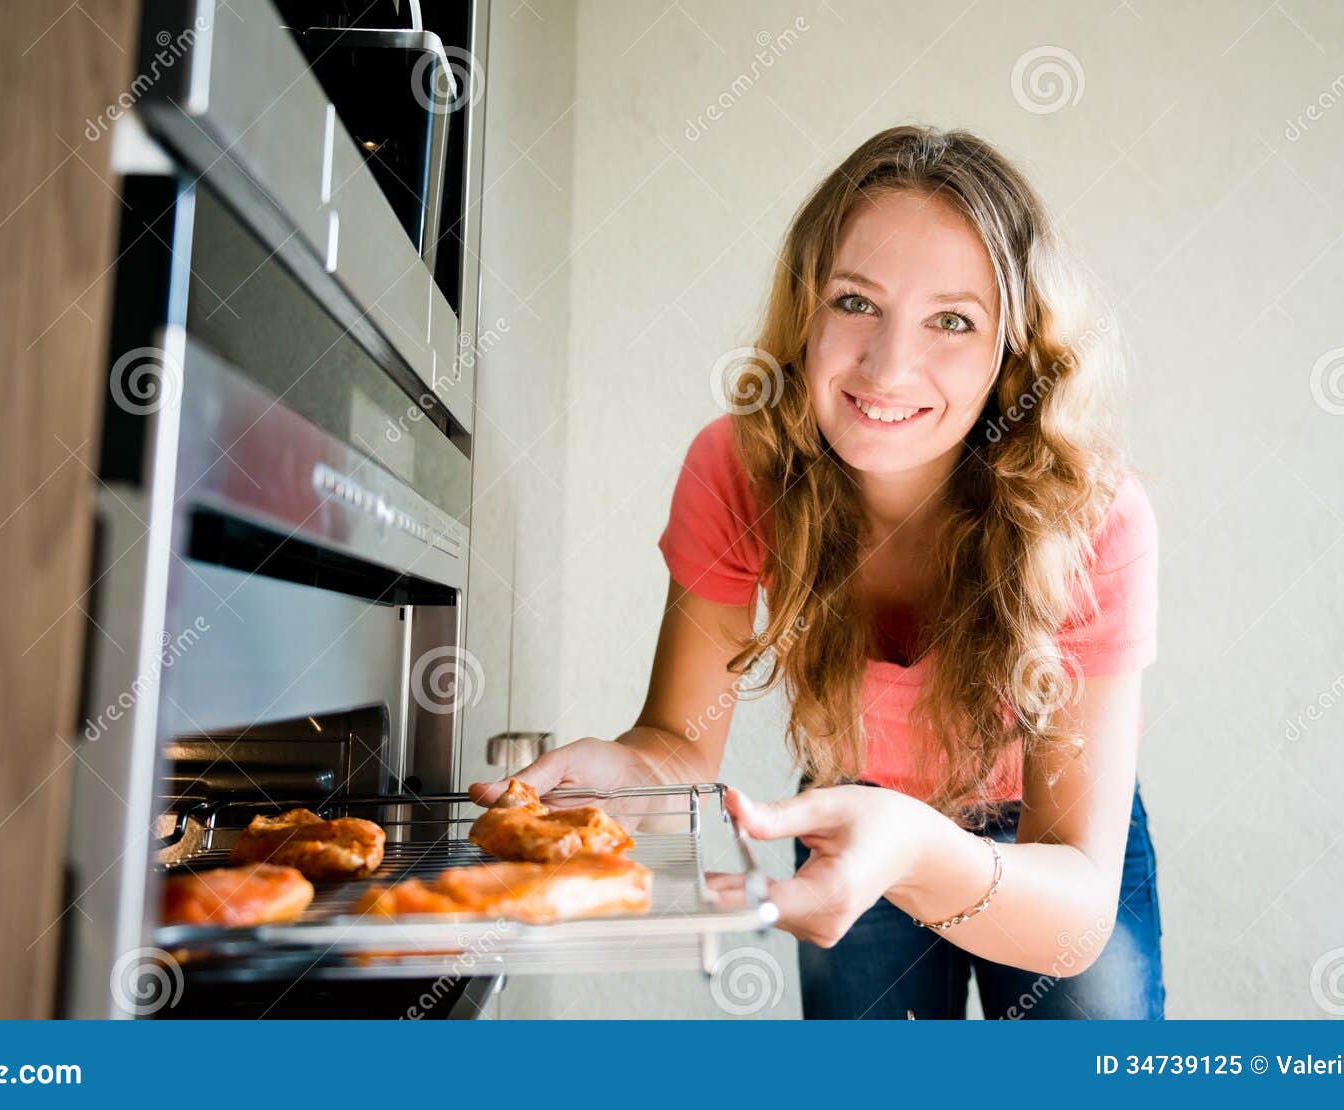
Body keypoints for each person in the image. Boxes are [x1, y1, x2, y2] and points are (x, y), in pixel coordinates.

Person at [469, 125, 1165, 1020]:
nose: (889, 365)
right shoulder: (736, 467)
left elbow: (1072, 917)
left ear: (1013, 350)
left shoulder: (1092, 516)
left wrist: (918, 850)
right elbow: (678, 743)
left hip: (1042, 840)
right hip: (854, 808)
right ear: (804, 310)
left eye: (952, 320)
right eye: (855, 302)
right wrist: (629, 772)